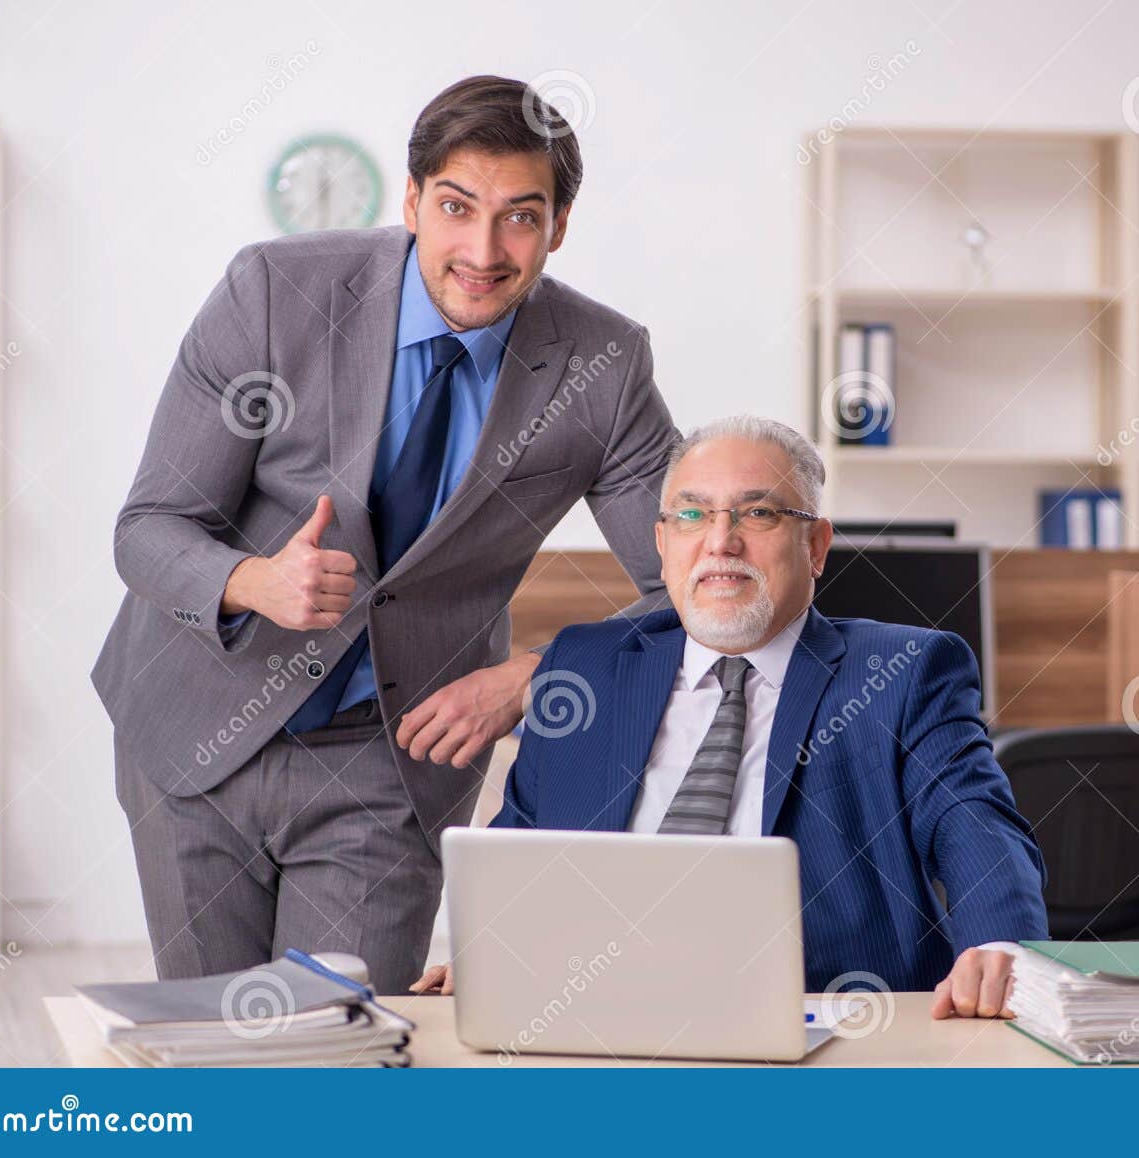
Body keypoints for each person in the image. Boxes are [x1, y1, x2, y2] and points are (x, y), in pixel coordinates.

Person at [94, 75, 677, 994]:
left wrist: (534, 678)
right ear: (411, 200)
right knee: (216, 1054)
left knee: (343, 1058)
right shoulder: (274, 293)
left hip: (389, 762)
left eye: (520, 217)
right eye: (456, 206)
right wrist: (255, 581)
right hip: (199, 732)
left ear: (559, 227)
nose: (482, 251)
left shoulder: (603, 365)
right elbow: (150, 529)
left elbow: (691, 583)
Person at [414, 416, 1047, 1017]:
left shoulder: (904, 671)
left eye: (758, 512)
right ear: (663, 546)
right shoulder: (584, 666)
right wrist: (489, 953)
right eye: (692, 514)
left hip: (826, 1027)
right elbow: (519, 852)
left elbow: (977, 827)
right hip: (593, 1018)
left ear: (817, 544)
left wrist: (998, 945)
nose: (721, 541)